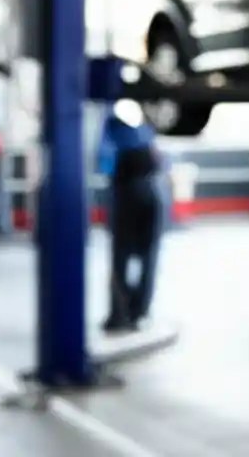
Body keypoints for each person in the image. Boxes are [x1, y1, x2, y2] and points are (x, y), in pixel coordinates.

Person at [97, 100, 168, 333]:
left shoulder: (110, 129)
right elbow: (162, 163)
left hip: (126, 194)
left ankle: (120, 314)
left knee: (120, 257)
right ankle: (140, 311)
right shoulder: (146, 131)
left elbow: (104, 164)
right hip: (153, 192)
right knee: (149, 257)